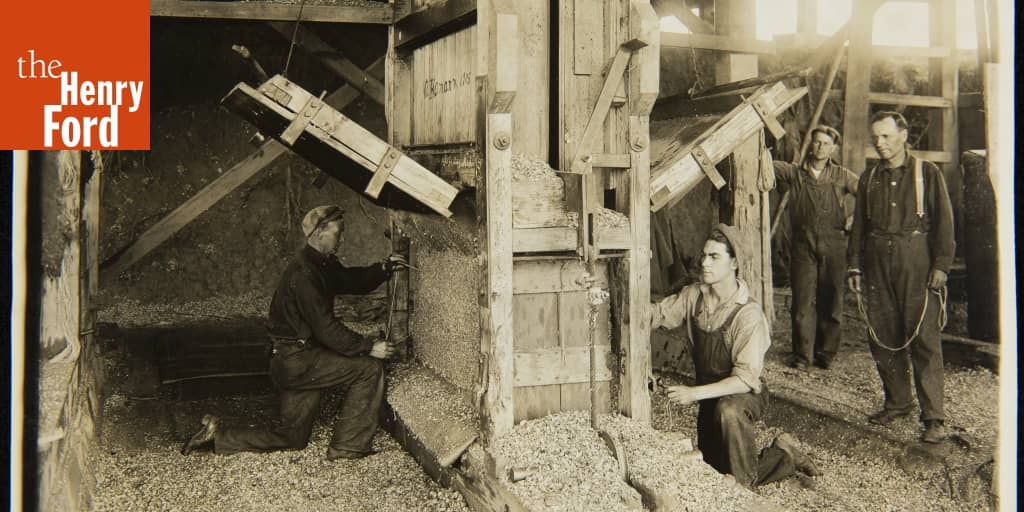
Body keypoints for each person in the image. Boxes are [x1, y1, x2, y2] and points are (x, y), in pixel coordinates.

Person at [181, 204, 407, 460]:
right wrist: (368, 346)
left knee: (291, 437)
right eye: (338, 233)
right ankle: (348, 446)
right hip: (298, 361)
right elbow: (327, 330)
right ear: (320, 232)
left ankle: (217, 435)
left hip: (290, 358)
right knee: (369, 369)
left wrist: (383, 269)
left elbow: (349, 280)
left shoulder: (318, 263)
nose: (342, 239)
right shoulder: (305, 275)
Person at [651, 224, 821, 489]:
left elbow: (744, 380)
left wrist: (692, 393)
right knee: (716, 474)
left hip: (743, 396)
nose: (704, 263)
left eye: (714, 257)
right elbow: (654, 315)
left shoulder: (748, 315)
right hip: (711, 398)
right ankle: (784, 455)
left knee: (729, 414)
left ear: (734, 263)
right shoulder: (694, 296)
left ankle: (743, 496)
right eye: (704, 255)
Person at [847, 111, 954, 444]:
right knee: (882, 336)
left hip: (916, 260)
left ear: (904, 135)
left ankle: (934, 417)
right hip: (877, 262)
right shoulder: (869, 178)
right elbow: (859, 230)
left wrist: (941, 266)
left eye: (887, 136)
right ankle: (897, 403)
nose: (880, 143)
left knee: (924, 340)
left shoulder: (927, 173)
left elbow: (945, 224)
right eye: (876, 137)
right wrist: (854, 267)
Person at [773, 126, 860, 371]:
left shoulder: (842, 176)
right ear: (811, 145)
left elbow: (867, 193)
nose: (819, 147)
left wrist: (854, 218)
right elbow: (768, 165)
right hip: (803, 245)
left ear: (833, 148)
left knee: (831, 300)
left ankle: (826, 354)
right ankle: (802, 355)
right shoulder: (795, 173)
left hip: (834, 244)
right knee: (802, 301)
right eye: (816, 142)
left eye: (825, 143)